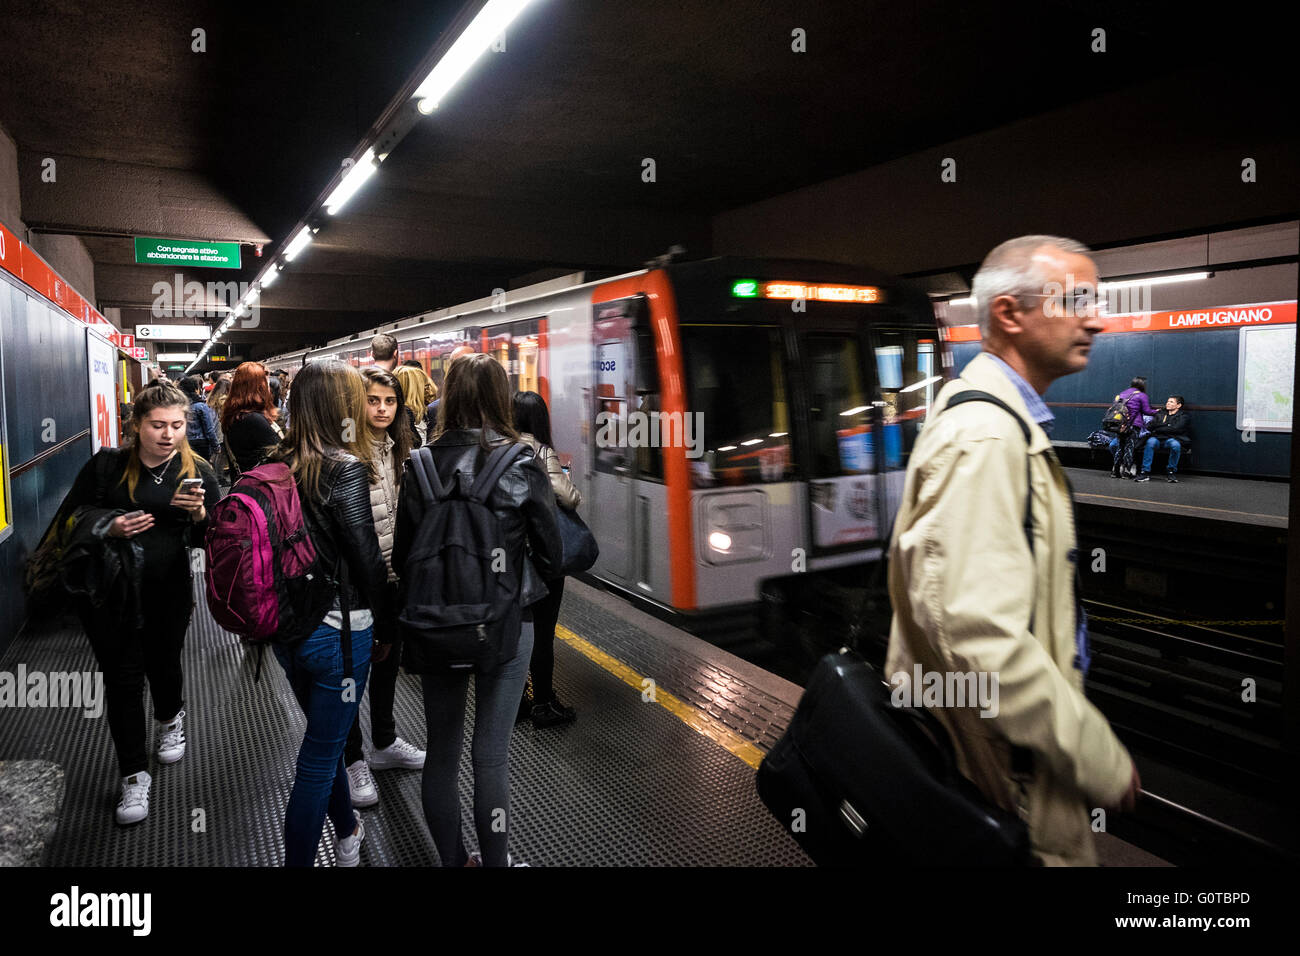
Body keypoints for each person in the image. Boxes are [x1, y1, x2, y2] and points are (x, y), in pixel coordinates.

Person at [886, 235, 1139, 866]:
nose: (1095, 318)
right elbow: (977, 633)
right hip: (1002, 783)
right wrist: (1096, 754)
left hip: (1001, 767)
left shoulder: (998, 423)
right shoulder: (986, 436)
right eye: (1075, 299)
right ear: (1009, 313)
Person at [392, 354, 561, 867]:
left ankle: (452, 861)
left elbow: (403, 557)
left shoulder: (418, 465)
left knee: (441, 752)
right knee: (491, 754)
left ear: (450, 396)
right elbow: (552, 555)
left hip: (436, 624)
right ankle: (497, 862)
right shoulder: (521, 461)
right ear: (499, 398)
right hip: (509, 621)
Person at [58, 383, 219, 824]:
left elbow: (218, 541)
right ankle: (133, 776)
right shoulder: (108, 467)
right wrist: (109, 525)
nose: (168, 434)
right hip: (111, 595)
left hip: (169, 593)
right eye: (157, 425)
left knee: (164, 665)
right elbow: (70, 517)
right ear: (136, 426)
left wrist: (200, 517)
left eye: (177, 425)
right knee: (122, 681)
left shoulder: (198, 471)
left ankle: (170, 718)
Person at [264, 360, 393, 867]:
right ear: (341, 407)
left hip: (286, 628)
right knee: (318, 760)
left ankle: (346, 830)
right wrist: (385, 625)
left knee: (328, 737)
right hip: (339, 631)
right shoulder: (344, 468)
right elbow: (367, 560)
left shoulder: (275, 462)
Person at [343, 368, 426, 809]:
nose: (381, 409)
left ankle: (385, 740)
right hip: (358, 580)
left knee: (388, 661)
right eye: (373, 401)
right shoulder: (347, 452)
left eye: (389, 402)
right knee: (353, 671)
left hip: (394, 576)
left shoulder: (404, 448)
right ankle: (353, 758)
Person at [512, 390, 581, 728]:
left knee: (515, 630)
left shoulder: (498, 450)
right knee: (543, 632)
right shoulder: (541, 451)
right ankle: (543, 703)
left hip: (508, 557)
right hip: (541, 556)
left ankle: (516, 701)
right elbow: (567, 497)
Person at [221, 361, 281, 477]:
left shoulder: (236, 415)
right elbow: (282, 456)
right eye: (265, 381)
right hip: (260, 488)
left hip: (246, 485)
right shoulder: (253, 420)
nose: (268, 385)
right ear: (257, 387)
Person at [1106, 376, 1157, 479]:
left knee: (1120, 447)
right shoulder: (1142, 395)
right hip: (1134, 425)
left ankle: (1115, 471)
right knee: (1130, 447)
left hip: (1121, 425)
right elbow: (1147, 411)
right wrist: (1157, 412)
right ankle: (1126, 472)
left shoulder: (1122, 393)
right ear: (1142, 385)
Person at [1142, 395, 1191, 483]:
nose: (1168, 403)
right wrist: (1167, 426)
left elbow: (1176, 429)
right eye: (1168, 401)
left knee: (1175, 445)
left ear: (1178, 405)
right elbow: (1150, 426)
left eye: (1171, 402)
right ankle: (1145, 472)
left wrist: (1159, 427)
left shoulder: (1183, 416)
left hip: (1171, 439)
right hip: (1157, 438)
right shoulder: (1161, 413)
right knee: (1150, 442)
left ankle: (1171, 471)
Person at [178, 375, 219, 461]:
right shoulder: (200, 406)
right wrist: (216, 446)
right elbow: (209, 429)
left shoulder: (178, 406)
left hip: (184, 443)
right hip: (201, 444)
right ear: (195, 389)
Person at [393, 364, 434, 446]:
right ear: (415, 389)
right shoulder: (405, 417)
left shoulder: (419, 415)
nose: (429, 391)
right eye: (425, 386)